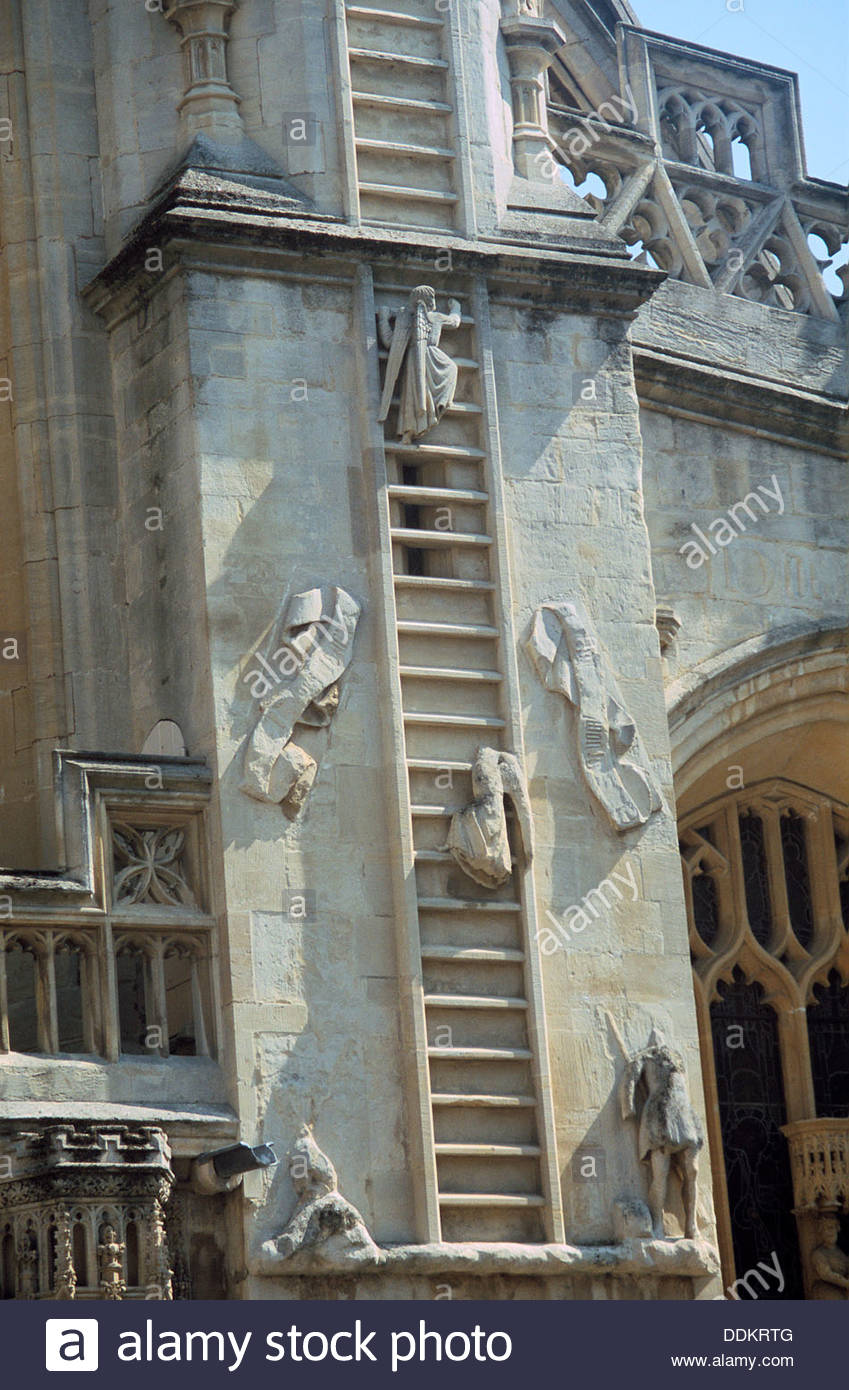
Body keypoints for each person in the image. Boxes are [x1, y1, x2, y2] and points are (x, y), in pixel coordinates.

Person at [378, 286, 462, 442]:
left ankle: (410, 431)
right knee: (446, 373)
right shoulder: (434, 317)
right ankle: (440, 404)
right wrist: (456, 307)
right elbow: (455, 321)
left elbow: (389, 342)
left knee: (413, 393)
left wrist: (384, 318)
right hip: (426, 356)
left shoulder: (406, 318)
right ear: (429, 300)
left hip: (415, 359)